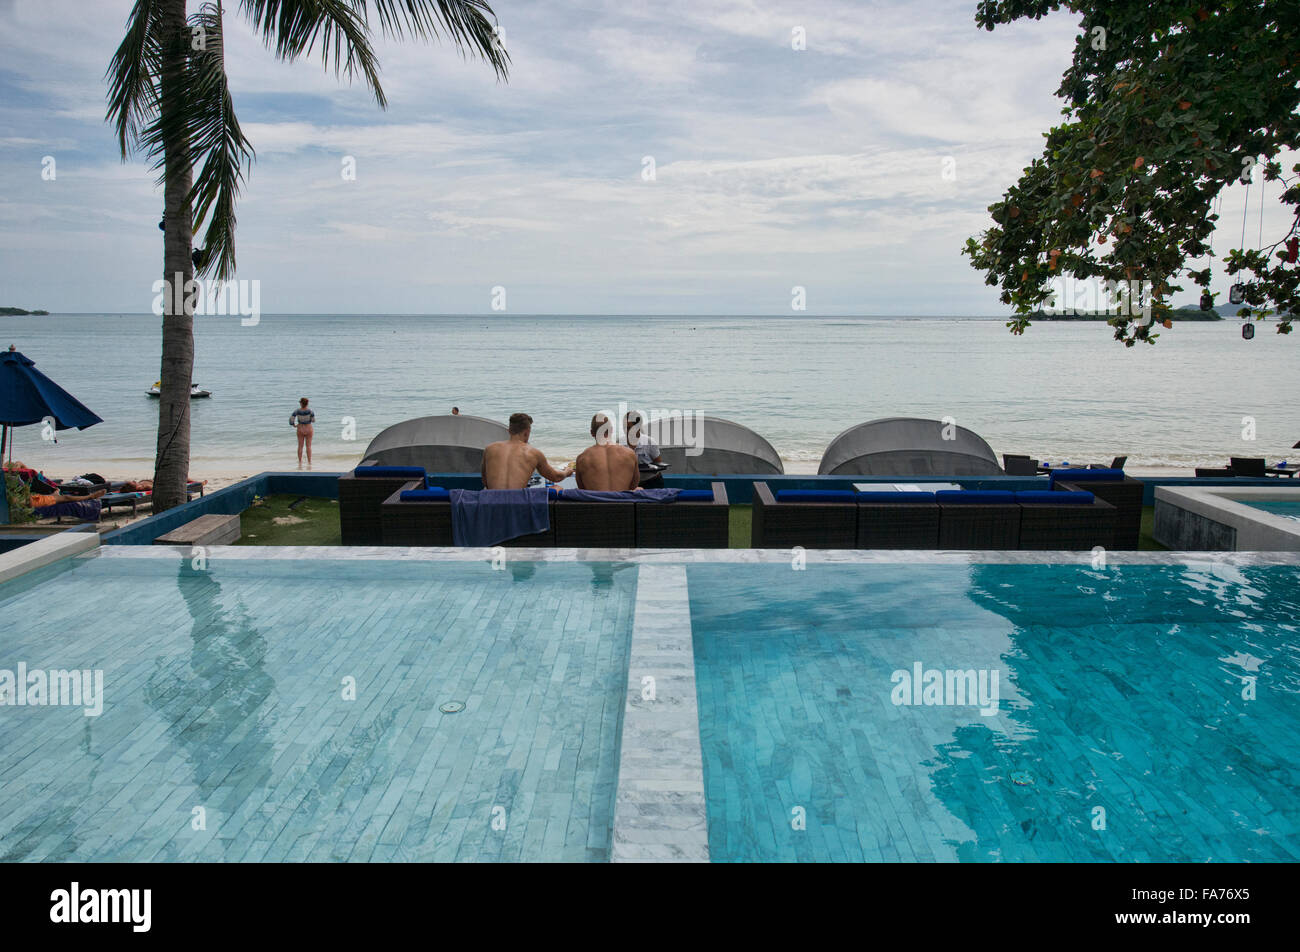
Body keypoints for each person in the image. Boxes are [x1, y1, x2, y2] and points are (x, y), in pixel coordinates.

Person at [481, 413, 573, 489]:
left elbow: (485, 481)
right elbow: (555, 477)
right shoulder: (533, 452)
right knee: (556, 488)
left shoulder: (490, 449)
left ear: (509, 431)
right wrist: (567, 472)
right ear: (527, 432)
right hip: (517, 503)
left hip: (491, 502)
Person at [575, 414, 639, 491]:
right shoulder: (630, 454)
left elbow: (582, 489)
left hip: (595, 502)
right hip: (621, 501)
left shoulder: (582, 458)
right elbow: (633, 486)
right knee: (639, 489)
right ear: (611, 430)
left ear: (592, 433)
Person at [625, 411, 665, 487]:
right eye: (625, 427)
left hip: (652, 481)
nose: (626, 431)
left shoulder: (649, 442)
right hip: (631, 483)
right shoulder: (620, 444)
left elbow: (658, 463)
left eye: (629, 428)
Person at [290, 397, 315, 467]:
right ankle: (309, 462)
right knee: (308, 446)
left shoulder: (297, 411)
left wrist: (293, 425)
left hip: (300, 428)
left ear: (301, 403)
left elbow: (291, 419)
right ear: (307, 404)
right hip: (308, 428)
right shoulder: (310, 411)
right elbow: (313, 420)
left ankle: (300, 462)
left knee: (300, 446)